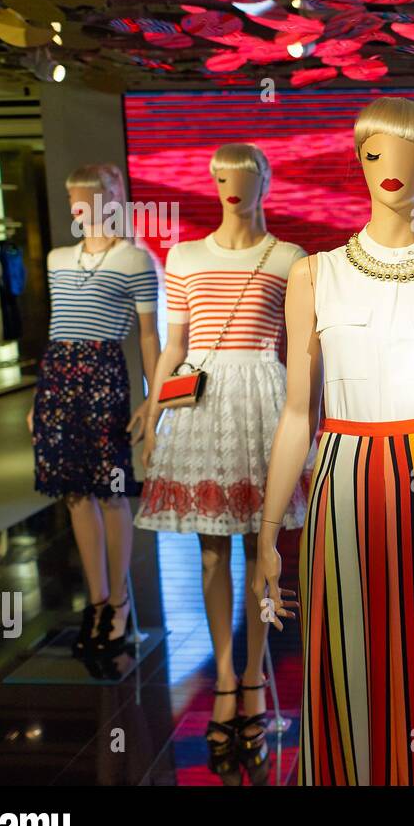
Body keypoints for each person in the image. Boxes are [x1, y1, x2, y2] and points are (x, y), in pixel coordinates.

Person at [255, 96, 414, 785]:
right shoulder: (313, 275)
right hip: (344, 477)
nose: (389, 167)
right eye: (374, 151)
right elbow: (295, 415)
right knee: (348, 660)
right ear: (357, 161)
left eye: (406, 150)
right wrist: (265, 535)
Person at [135, 143, 307, 784]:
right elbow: (175, 343)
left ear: (265, 179)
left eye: (243, 174)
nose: (230, 185)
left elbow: (300, 346)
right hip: (202, 398)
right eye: (219, 176)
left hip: (262, 395)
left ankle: (256, 675)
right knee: (211, 552)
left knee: (266, 549)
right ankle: (228, 673)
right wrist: (154, 413)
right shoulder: (184, 255)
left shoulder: (290, 258)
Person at [31, 163, 159, 658]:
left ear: (110, 200)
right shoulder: (59, 258)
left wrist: (154, 397)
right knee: (73, 493)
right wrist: (38, 397)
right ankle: (98, 597)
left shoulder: (134, 260)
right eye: (72, 200)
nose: (76, 209)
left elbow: (148, 336)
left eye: (84, 198)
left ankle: (121, 601)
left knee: (110, 491)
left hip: (104, 374)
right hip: (59, 375)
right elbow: (57, 327)